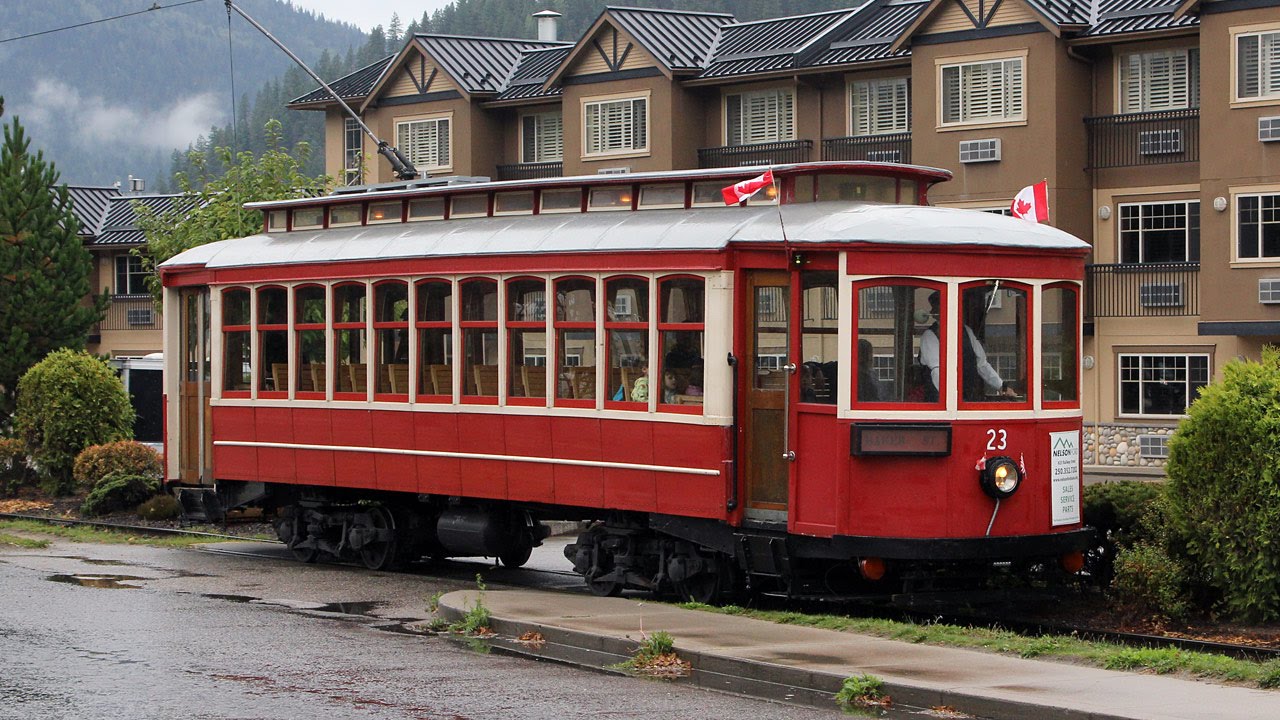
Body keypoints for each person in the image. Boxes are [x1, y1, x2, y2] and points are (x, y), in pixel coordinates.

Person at [918, 291, 1016, 401]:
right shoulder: (929, 336)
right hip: (940, 403)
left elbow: (981, 364)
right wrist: (953, 399)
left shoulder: (966, 331)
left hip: (967, 399)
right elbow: (937, 371)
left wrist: (1001, 386)